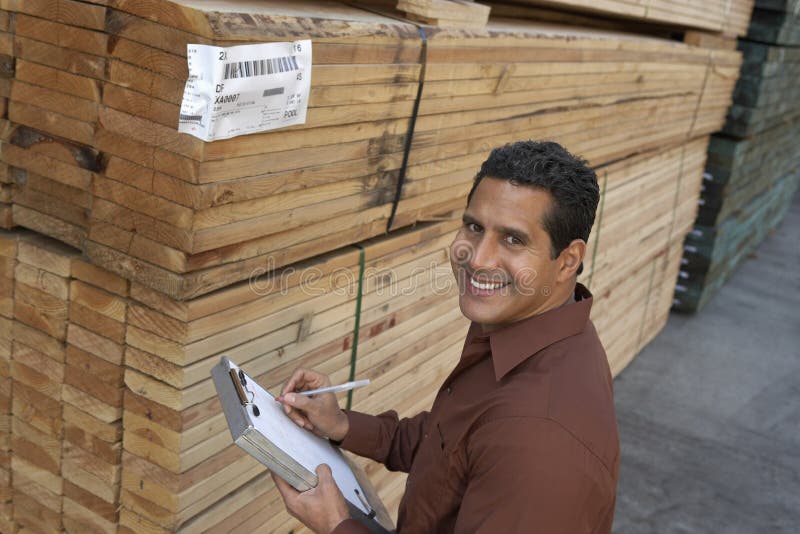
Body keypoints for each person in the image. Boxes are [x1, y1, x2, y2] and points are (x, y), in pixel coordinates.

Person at [272, 140, 620, 533]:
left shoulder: (538, 439)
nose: (478, 258)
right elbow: (448, 446)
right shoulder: (521, 330)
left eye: (513, 239)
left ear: (568, 261)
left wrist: (337, 524)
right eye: (474, 227)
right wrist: (342, 425)